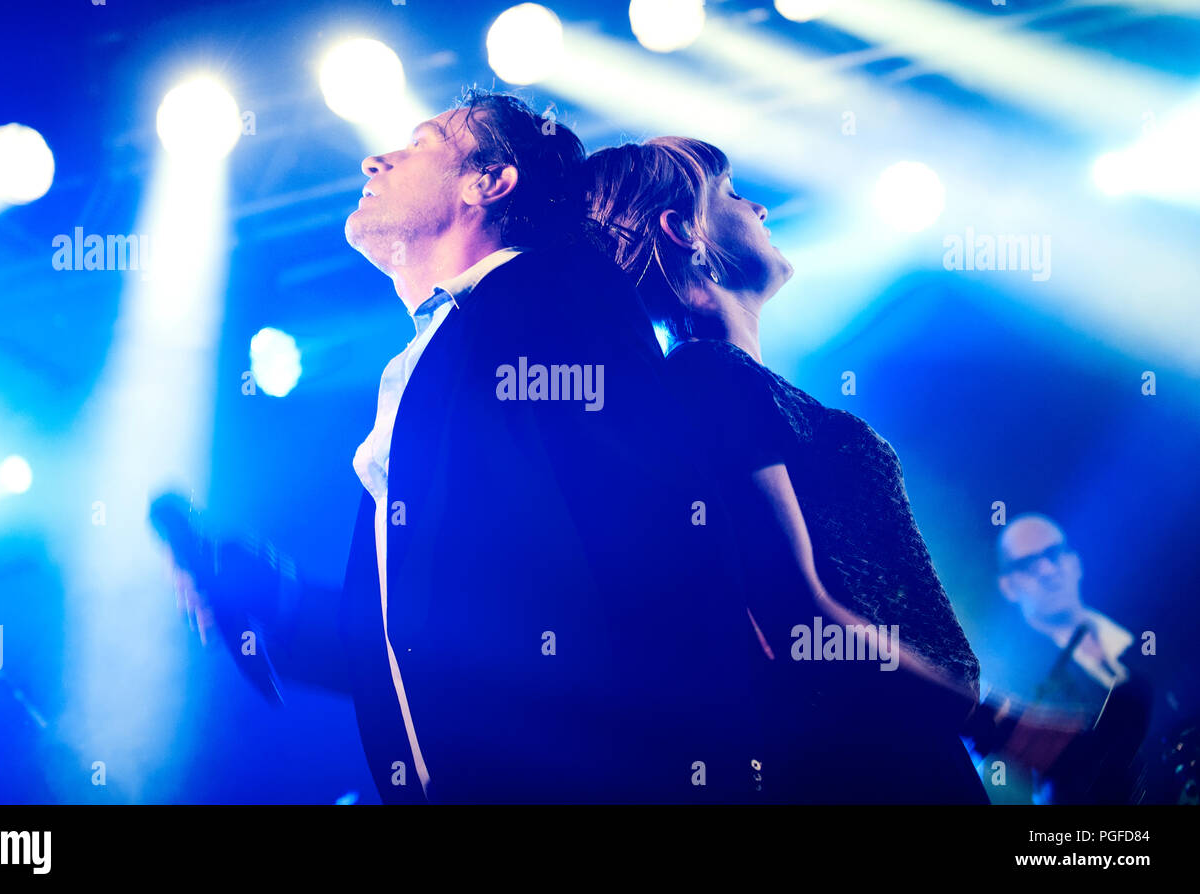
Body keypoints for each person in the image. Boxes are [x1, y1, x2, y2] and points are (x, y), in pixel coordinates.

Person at [165, 92, 765, 803]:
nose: (374, 158)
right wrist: (279, 601)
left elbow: (656, 529)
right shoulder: (424, 361)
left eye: (418, 144)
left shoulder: (553, 291)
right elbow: (425, 639)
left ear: (491, 181)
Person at [583, 137, 1006, 803]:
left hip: (889, 736)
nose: (758, 206)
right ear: (684, 229)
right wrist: (1004, 730)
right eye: (727, 193)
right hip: (867, 754)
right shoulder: (706, 376)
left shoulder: (724, 379)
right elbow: (792, 608)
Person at [989, 513, 1158, 803]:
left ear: (1075, 562)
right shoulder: (1010, 685)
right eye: (1027, 564)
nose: (1045, 569)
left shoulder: (1152, 632)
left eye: (1053, 553)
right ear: (1008, 587)